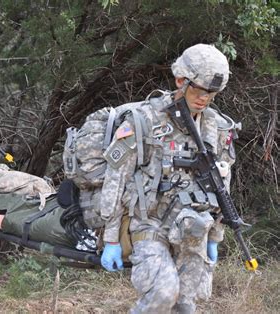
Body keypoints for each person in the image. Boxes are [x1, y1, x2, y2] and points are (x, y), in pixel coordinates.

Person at [98, 44, 238, 313]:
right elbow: (115, 181)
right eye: (198, 90)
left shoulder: (216, 127)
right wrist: (112, 239)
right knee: (163, 294)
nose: (204, 99)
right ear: (180, 80)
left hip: (195, 228)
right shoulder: (144, 120)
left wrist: (215, 237)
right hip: (150, 224)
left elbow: (223, 184)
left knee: (186, 305)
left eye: (212, 93)